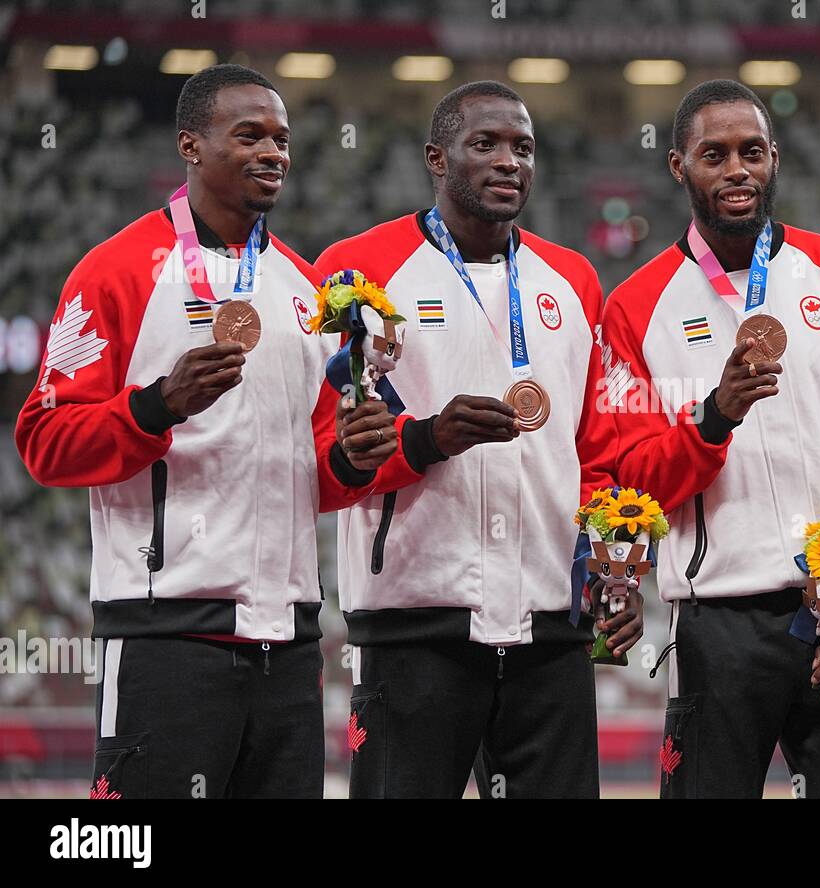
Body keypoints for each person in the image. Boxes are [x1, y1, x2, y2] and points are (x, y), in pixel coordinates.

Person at [13, 64, 395, 798]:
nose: (273, 152)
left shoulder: (307, 290)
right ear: (190, 144)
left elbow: (316, 467)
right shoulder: (115, 272)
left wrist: (349, 461)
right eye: (248, 134)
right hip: (165, 635)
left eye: (282, 139)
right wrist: (154, 406)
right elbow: (44, 441)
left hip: (287, 639)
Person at [601, 80, 820, 798]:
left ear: (775, 159)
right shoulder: (633, 309)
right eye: (714, 155)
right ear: (679, 167)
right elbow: (634, 486)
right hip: (718, 624)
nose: (736, 169)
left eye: (752, 152)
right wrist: (712, 421)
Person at [315, 81, 629, 799]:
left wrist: (608, 570)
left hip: (549, 623)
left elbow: (596, 453)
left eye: (523, 147)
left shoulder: (575, 280)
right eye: (484, 144)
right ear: (437, 156)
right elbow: (331, 457)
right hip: (414, 621)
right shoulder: (356, 272)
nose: (508, 161)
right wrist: (425, 439)